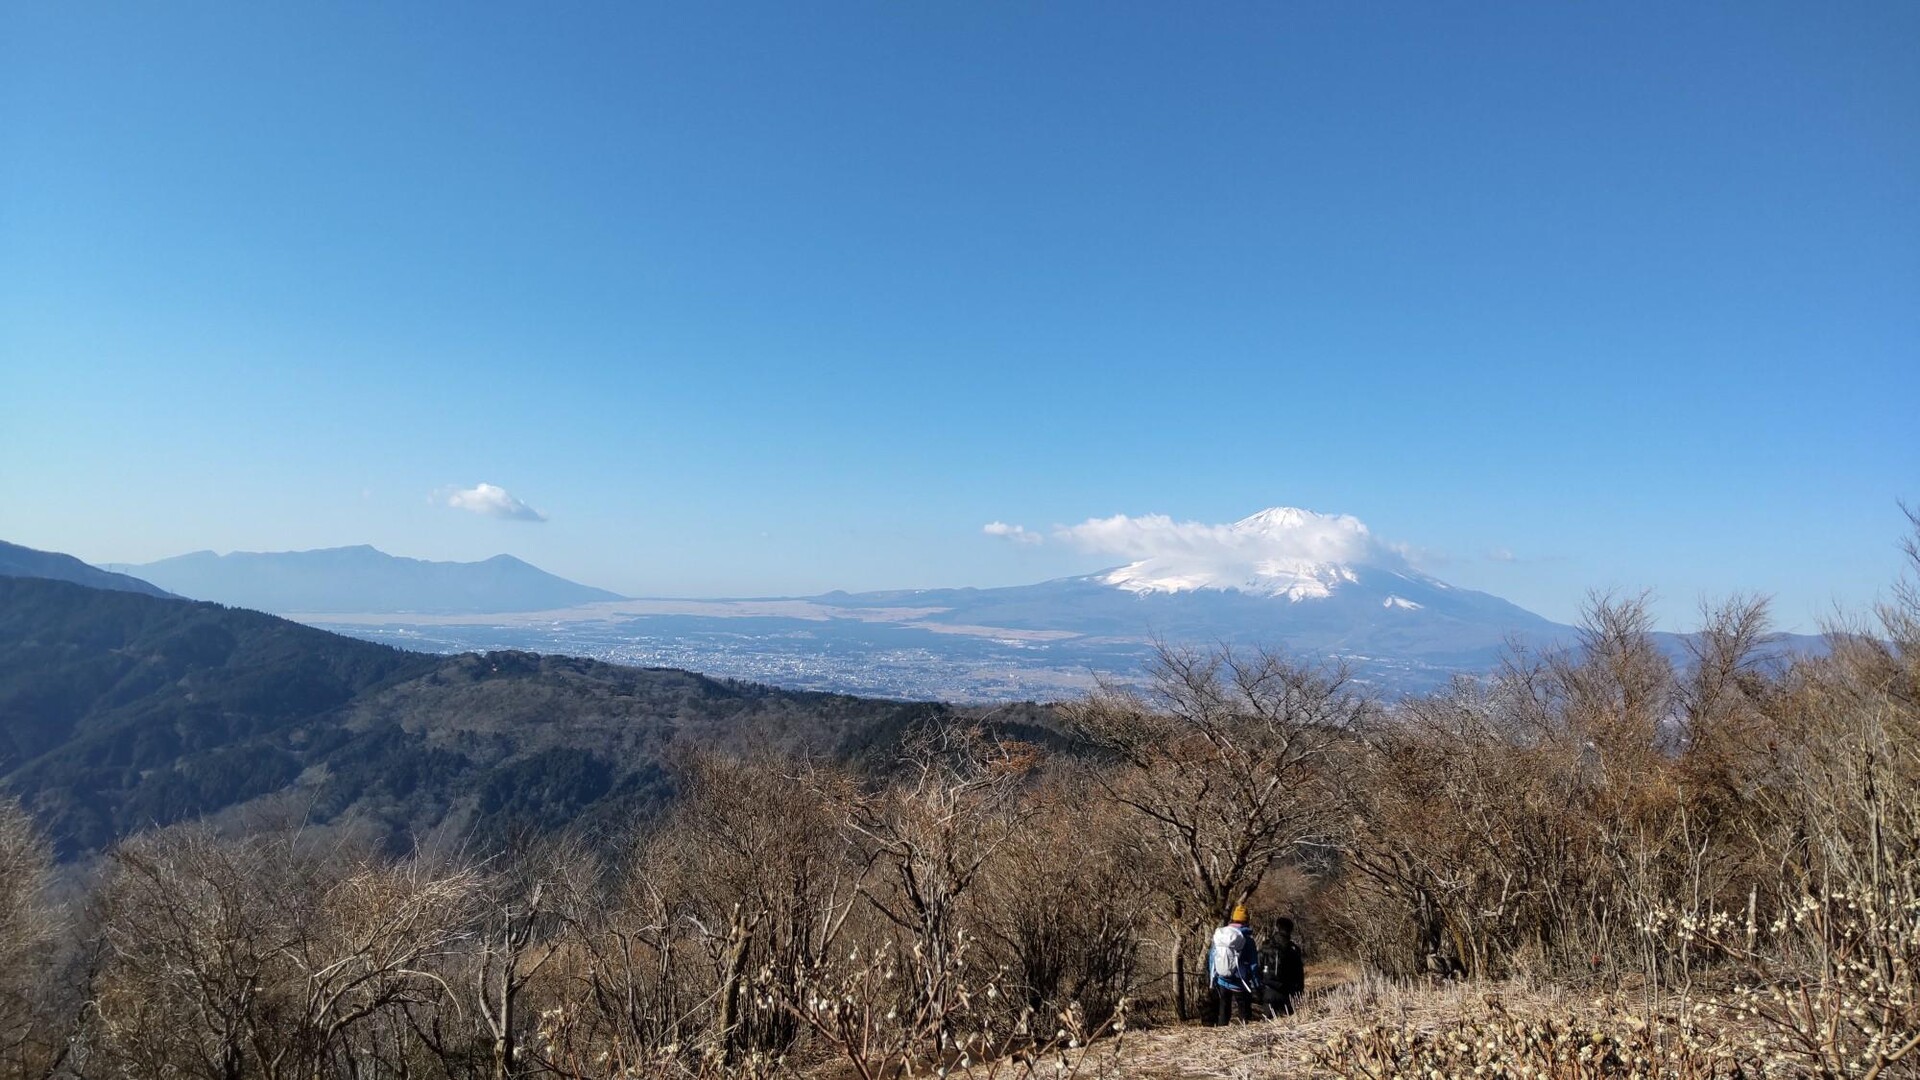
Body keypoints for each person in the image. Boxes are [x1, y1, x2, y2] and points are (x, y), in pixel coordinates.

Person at [1207, 904, 1260, 1025]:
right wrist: (1257, 984)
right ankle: (1245, 1033)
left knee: (1224, 1009)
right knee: (1244, 1012)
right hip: (1240, 981)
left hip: (1222, 979)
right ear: (1246, 921)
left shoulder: (1221, 936)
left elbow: (1212, 957)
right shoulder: (1248, 940)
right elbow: (1253, 965)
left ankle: (1220, 1033)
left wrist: (1212, 978)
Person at [1261, 917, 1306, 1016]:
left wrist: (1258, 989)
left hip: (1269, 989)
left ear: (1277, 928)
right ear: (1290, 930)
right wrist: (1299, 991)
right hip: (1287, 991)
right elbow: (1299, 974)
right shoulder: (1294, 949)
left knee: (1266, 1026)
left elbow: (1258, 967)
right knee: (1288, 1025)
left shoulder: (1266, 945)